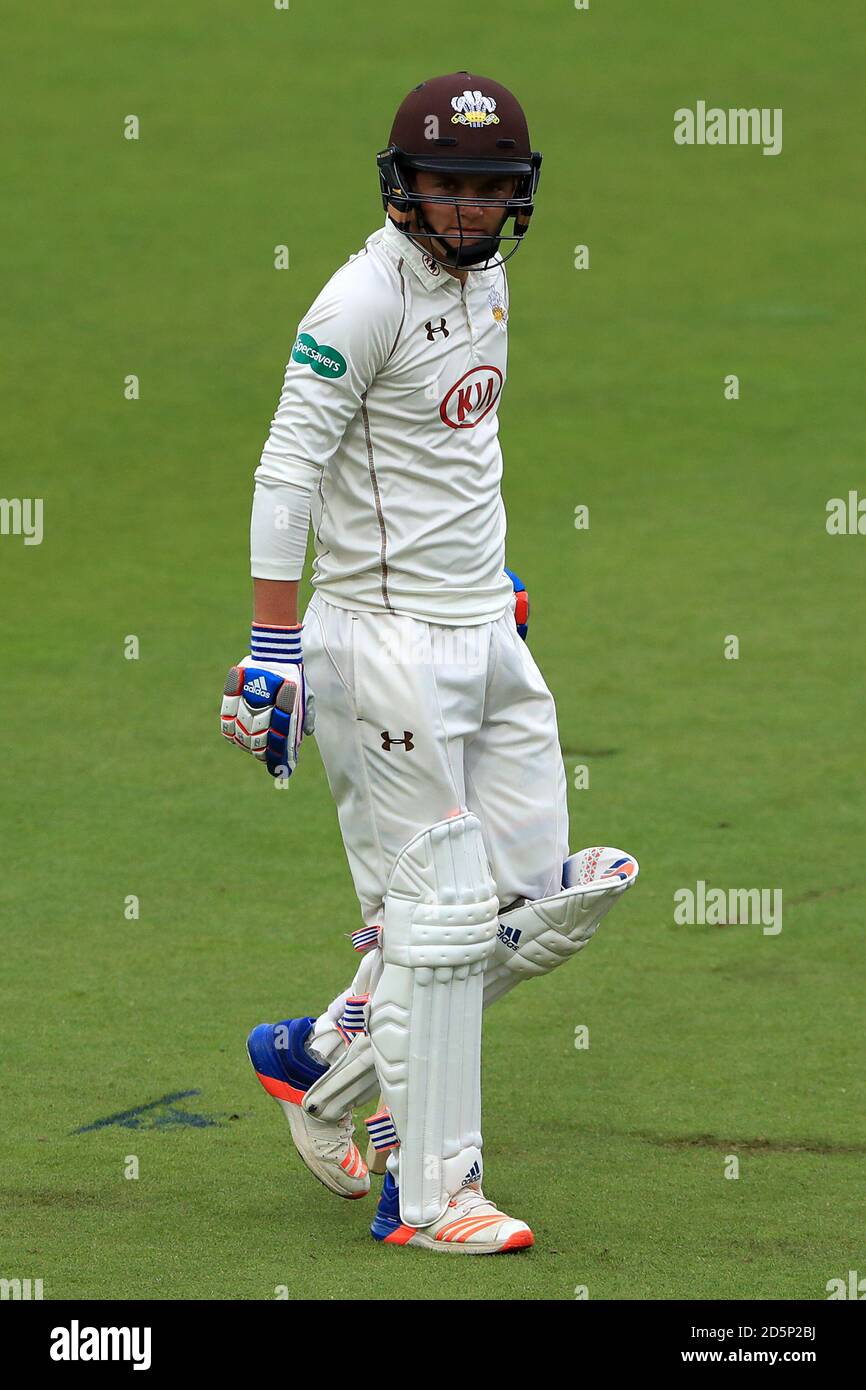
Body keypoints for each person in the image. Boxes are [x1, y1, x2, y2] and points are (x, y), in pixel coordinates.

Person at [221, 71, 639, 1255]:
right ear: (403, 187)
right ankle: (427, 1190)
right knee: (442, 921)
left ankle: (322, 1057)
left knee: (543, 899)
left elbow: (455, 447)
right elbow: (284, 470)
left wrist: (488, 582)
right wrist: (268, 646)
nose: (467, 210)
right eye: (448, 187)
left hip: (479, 628)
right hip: (381, 638)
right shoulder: (361, 298)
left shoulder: (491, 275)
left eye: (489, 190)